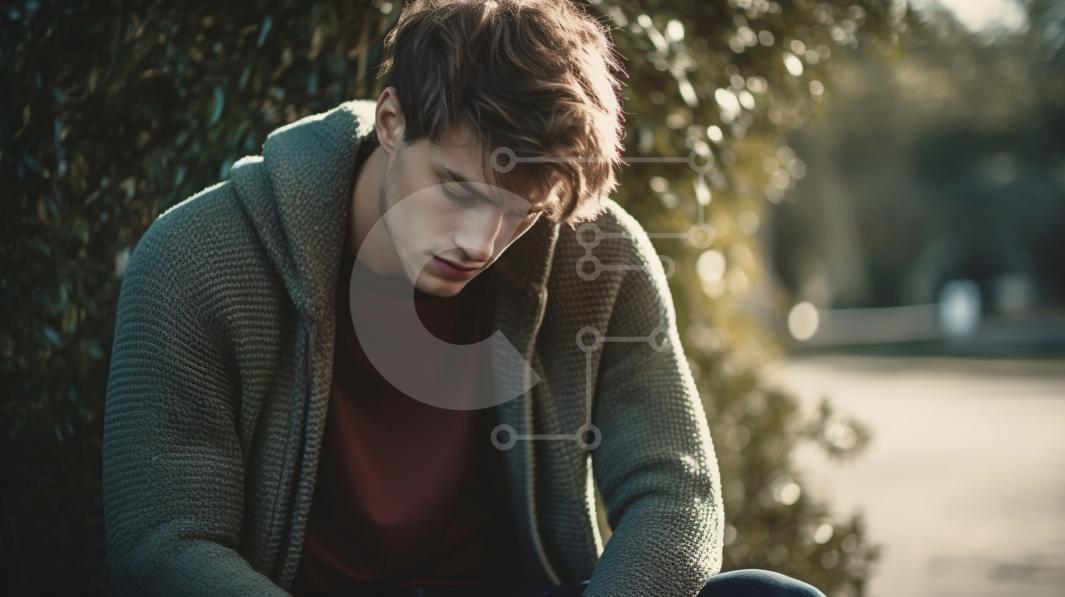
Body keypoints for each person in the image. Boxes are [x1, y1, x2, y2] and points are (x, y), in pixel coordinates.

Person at [101, 1, 825, 596]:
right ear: (391, 121)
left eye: (520, 211)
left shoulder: (599, 259)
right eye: (455, 189)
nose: (480, 243)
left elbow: (675, 492)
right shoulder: (198, 258)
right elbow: (166, 540)